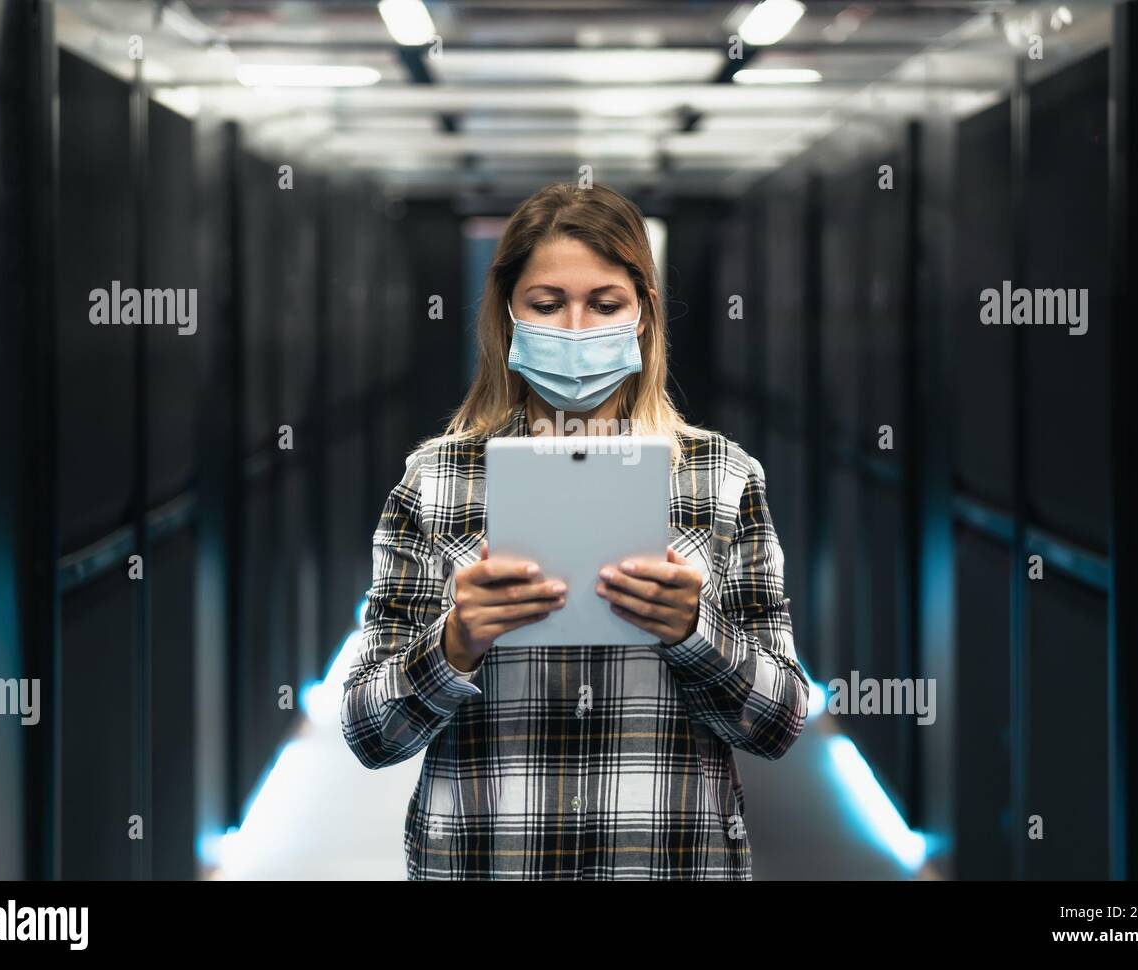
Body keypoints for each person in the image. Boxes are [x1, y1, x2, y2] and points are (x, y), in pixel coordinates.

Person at [340, 182, 809, 880]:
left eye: (605, 304)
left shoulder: (722, 477)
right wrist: (456, 642)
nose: (576, 329)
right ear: (509, 315)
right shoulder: (434, 482)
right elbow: (369, 732)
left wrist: (693, 633)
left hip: (666, 861)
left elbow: (780, 723)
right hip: (484, 860)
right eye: (548, 304)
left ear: (644, 316)